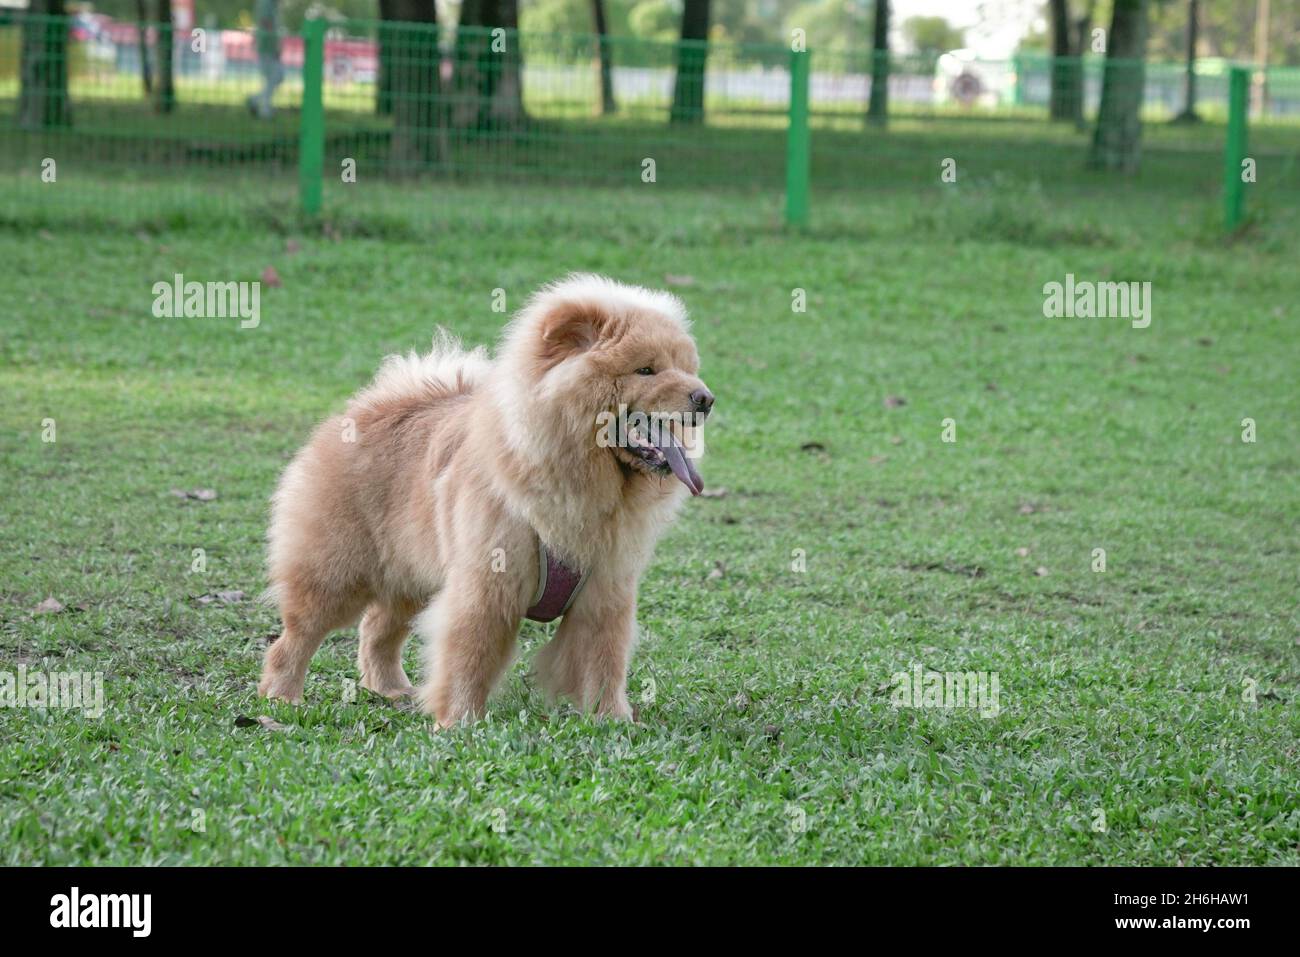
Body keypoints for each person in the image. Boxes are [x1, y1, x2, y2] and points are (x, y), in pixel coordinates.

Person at [246, 0, 283, 119]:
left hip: (268, 46)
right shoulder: (266, 3)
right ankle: (265, 110)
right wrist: (275, 45)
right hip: (266, 46)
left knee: (275, 78)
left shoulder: (271, 4)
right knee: (275, 77)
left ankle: (255, 100)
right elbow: (265, 22)